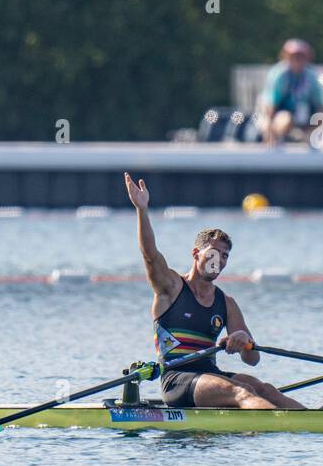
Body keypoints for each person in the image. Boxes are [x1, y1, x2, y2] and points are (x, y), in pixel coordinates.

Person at [124, 172, 305, 410]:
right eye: (213, 253)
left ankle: (312, 424)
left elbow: (252, 359)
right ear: (196, 254)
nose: (218, 260)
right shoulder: (171, 287)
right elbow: (150, 254)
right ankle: (279, 431)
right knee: (241, 392)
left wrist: (245, 342)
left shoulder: (226, 303)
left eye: (225, 256)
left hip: (211, 375)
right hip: (177, 381)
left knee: (264, 389)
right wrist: (142, 210)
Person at [258, 39, 323, 146]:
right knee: (286, 119)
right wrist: (269, 128)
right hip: (280, 116)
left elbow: (320, 105)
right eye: (294, 56)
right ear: (286, 56)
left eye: (301, 56)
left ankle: (302, 136)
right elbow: (270, 105)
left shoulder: (311, 76)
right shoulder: (279, 75)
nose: (297, 59)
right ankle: (277, 137)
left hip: (302, 117)